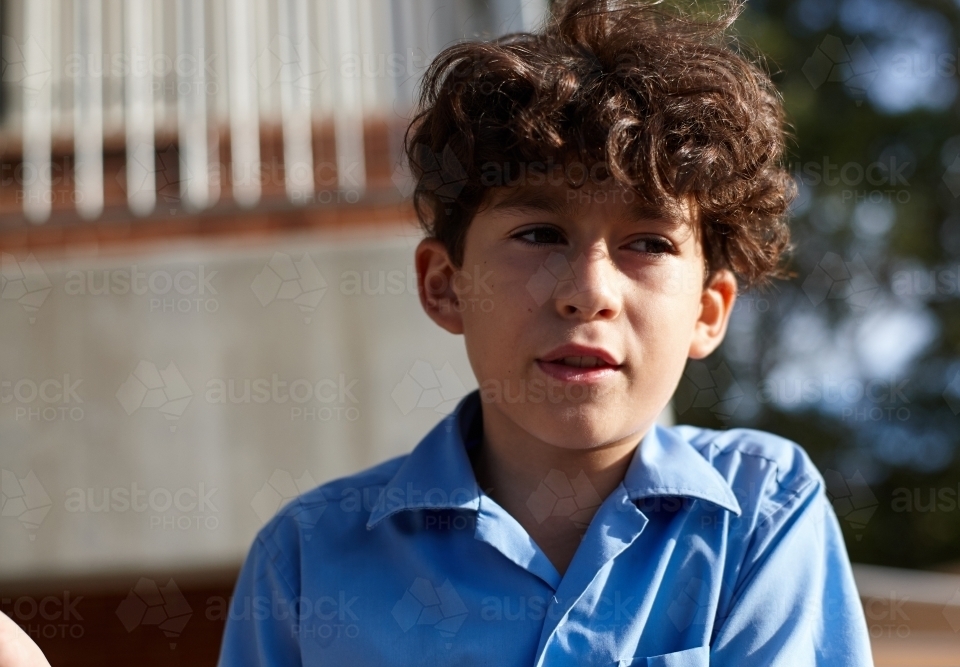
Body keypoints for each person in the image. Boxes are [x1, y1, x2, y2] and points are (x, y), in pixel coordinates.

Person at [219, 0, 874, 665]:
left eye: (647, 242)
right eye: (538, 234)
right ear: (446, 285)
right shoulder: (305, 561)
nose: (588, 293)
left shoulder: (762, 510)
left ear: (709, 310)